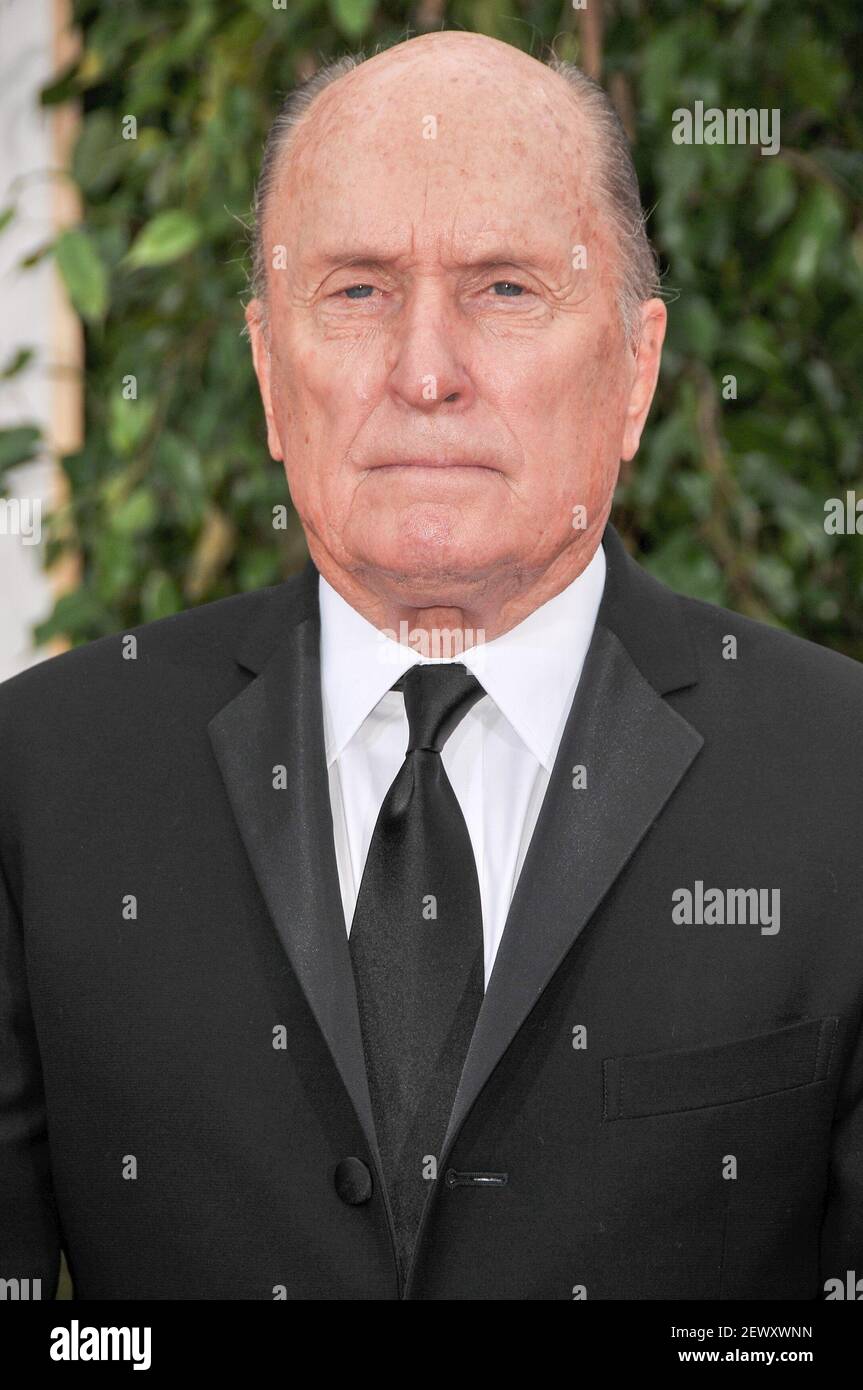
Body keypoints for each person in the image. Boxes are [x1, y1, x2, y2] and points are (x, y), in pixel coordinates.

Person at [1, 31, 860, 1301]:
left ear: (635, 370)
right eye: (354, 290)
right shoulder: (44, 774)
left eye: (505, 288)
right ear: (267, 375)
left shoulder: (836, 781)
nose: (423, 372)